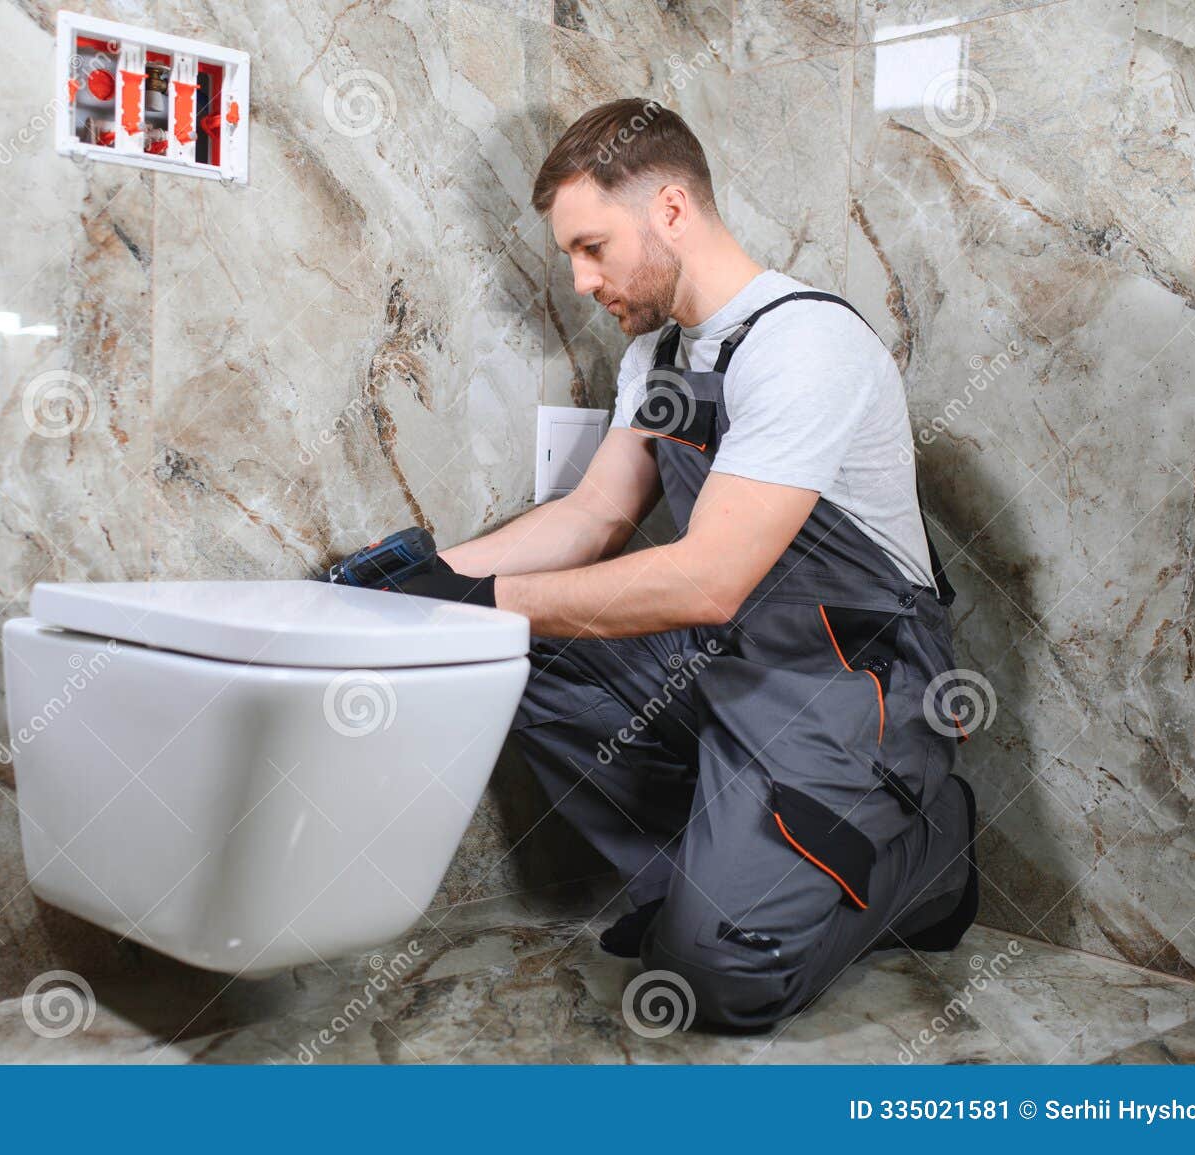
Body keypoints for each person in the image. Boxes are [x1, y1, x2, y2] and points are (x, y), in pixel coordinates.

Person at [375, 97, 977, 1031]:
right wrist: (422, 583)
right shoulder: (659, 354)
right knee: (509, 650)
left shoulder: (802, 344)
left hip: (854, 681)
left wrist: (483, 595)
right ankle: (696, 877)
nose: (578, 282)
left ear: (669, 210)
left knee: (714, 983)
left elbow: (708, 577)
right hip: (731, 660)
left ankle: (930, 854)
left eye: (591, 247)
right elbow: (596, 512)